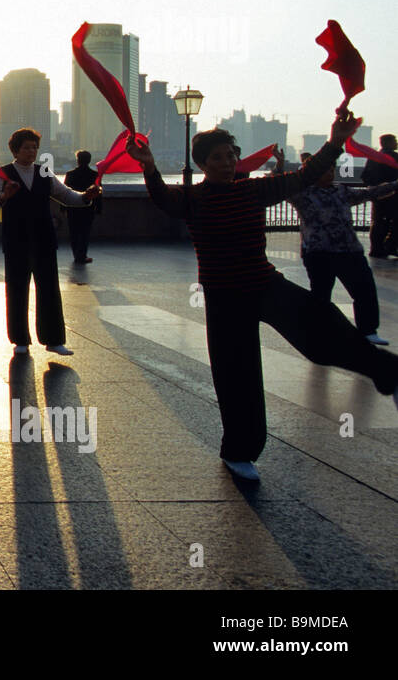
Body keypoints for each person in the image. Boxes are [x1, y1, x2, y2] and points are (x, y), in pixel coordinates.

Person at [125, 111, 398, 482]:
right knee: (237, 375)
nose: (227, 163)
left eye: (231, 155)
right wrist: (150, 166)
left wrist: (335, 142)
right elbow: (161, 199)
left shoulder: (253, 190)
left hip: (264, 284)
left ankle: (388, 373)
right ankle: (240, 451)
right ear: (202, 164)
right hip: (224, 299)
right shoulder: (193, 198)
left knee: (323, 327)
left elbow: (302, 177)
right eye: (217, 158)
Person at [0, 128, 100, 356]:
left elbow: (65, 194)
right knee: (17, 289)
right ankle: (20, 341)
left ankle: (53, 340)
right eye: (27, 147)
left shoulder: (44, 172)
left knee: (49, 288)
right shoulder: (3, 173)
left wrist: (86, 196)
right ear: (16, 150)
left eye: (35, 147)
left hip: (44, 237)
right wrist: (4, 196)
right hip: (16, 238)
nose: (32, 151)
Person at [290, 157, 397, 345]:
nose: (330, 174)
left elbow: (371, 193)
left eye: (332, 170)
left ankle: (368, 330)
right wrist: (277, 166)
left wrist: (395, 184)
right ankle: (319, 331)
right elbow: (277, 187)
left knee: (365, 290)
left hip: (349, 250)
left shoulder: (341, 190)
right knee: (321, 296)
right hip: (319, 252)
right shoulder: (302, 193)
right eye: (325, 170)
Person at [361, 133, 398, 257]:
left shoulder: (373, 158)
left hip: (377, 196)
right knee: (394, 222)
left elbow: (364, 176)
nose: (397, 143)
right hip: (393, 196)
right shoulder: (394, 157)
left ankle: (376, 249)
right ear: (389, 143)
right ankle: (390, 245)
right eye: (395, 141)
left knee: (377, 222)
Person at [63, 150, 101, 264]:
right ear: (89, 160)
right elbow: (98, 193)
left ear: (77, 160)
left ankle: (76, 255)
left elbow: (65, 192)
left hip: (72, 207)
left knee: (74, 232)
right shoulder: (94, 175)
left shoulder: (70, 174)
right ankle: (82, 255)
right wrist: (98, 208)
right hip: (88, 208)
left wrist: (63, 207)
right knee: (85, 232)